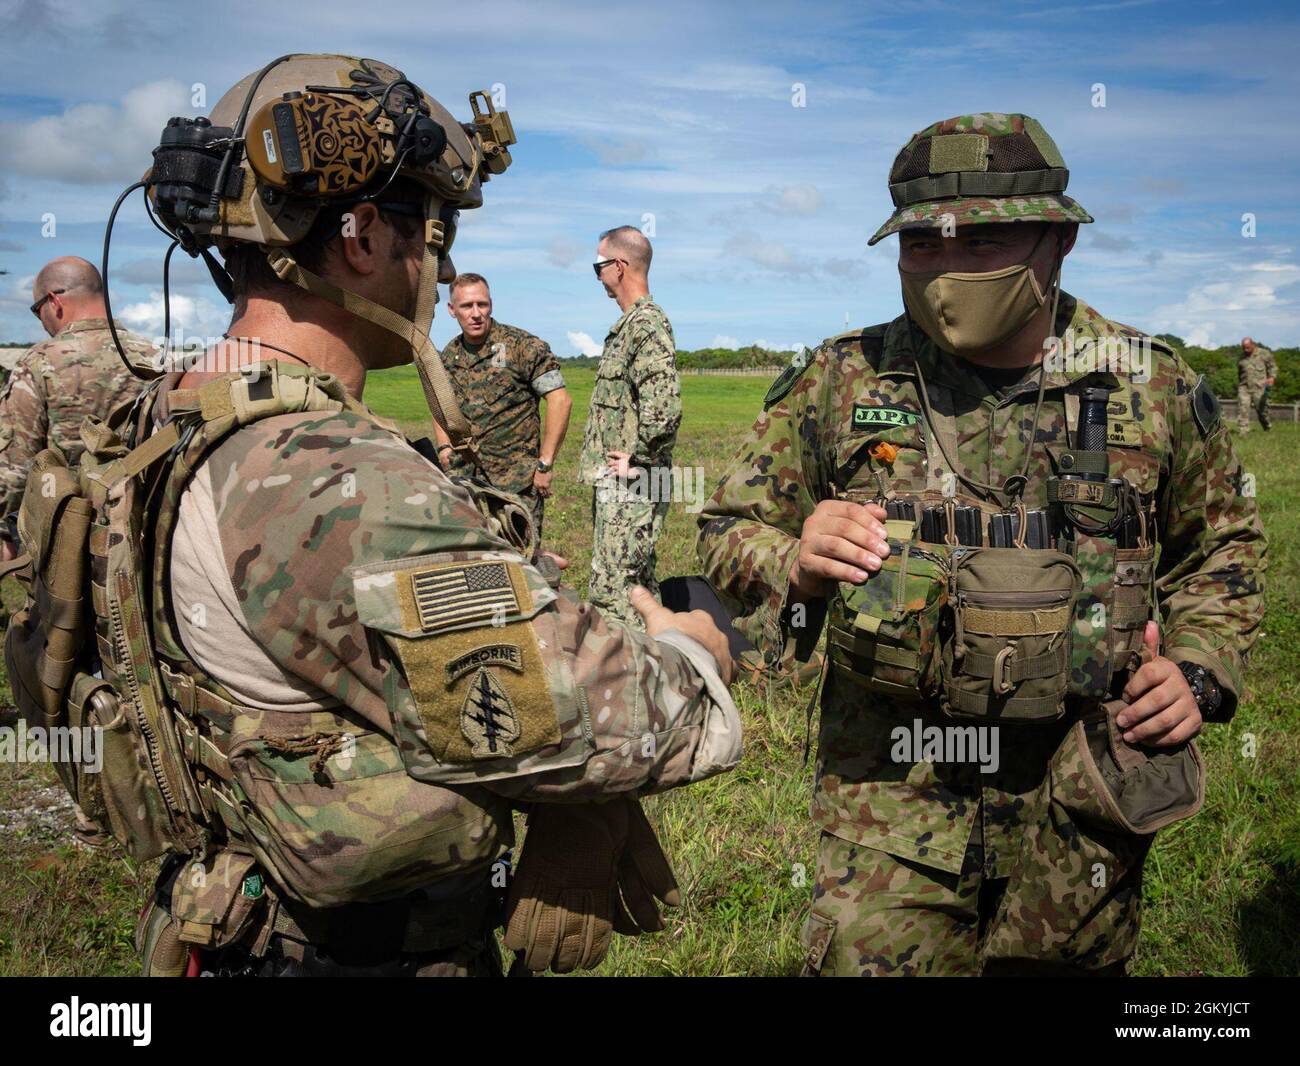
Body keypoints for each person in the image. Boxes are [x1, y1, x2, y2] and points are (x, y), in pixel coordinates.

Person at [11, 54, 740, 977]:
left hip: (223, 920)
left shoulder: (164, 414)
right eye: (433, 231)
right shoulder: (334, 479)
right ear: (360, 235)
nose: (439, 267)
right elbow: (593, 716)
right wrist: (693, 650)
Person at [697, 113, 1266, 976]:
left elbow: (1223, 547)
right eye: (922, 243)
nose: (948, 268)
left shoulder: (1148, 385)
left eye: (984, 241)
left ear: (1059, 240)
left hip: (1081, 800)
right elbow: (725, 529)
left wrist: (1199, 668)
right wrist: (794, 560)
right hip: (891, 807)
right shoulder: (841, 378)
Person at [0, 257, 153, 549]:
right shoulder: (156, 357)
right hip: (145, 537)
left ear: (54, 301)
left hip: (67, 542)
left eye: (36, 310)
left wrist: (4, 535)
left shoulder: (39, 362)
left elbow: (14, 469)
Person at [579, 226, 680, 628]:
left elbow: (664, 409)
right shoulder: (630, 325)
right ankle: (655, 656)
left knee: (616, 591)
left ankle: (627, 664)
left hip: (632, 483)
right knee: (634, 584)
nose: (598, 276)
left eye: (598, 266)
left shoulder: (646, 325)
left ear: (619, 266)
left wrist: (639, 461)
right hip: (622, 484)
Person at [435, 272, 572, 537]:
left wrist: (545, 464)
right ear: (452, 310)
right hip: (466, 484)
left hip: (516, 484)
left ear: (491, 305)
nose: (476, 314)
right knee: (472, 555)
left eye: (482, 304)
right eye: (467, 306)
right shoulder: (449, 355)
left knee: (521, 555)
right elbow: (439, 402)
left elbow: (560, 401)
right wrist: (443, 447)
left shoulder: (523, 346)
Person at [1236, 336, 1277, 434]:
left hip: (1259, 387)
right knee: (1243, 408)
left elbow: (1273, 367)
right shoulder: (1241, 357)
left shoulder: (1264, 353)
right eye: (1243, 348)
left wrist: (1271, 377)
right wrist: (1240, 384)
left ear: (1253, 345)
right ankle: (1243, 431)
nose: (1245, 350)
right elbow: (1240, 372)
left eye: (1247, 347)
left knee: (1262, 411)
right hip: (1244, 387)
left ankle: (1267, 426)